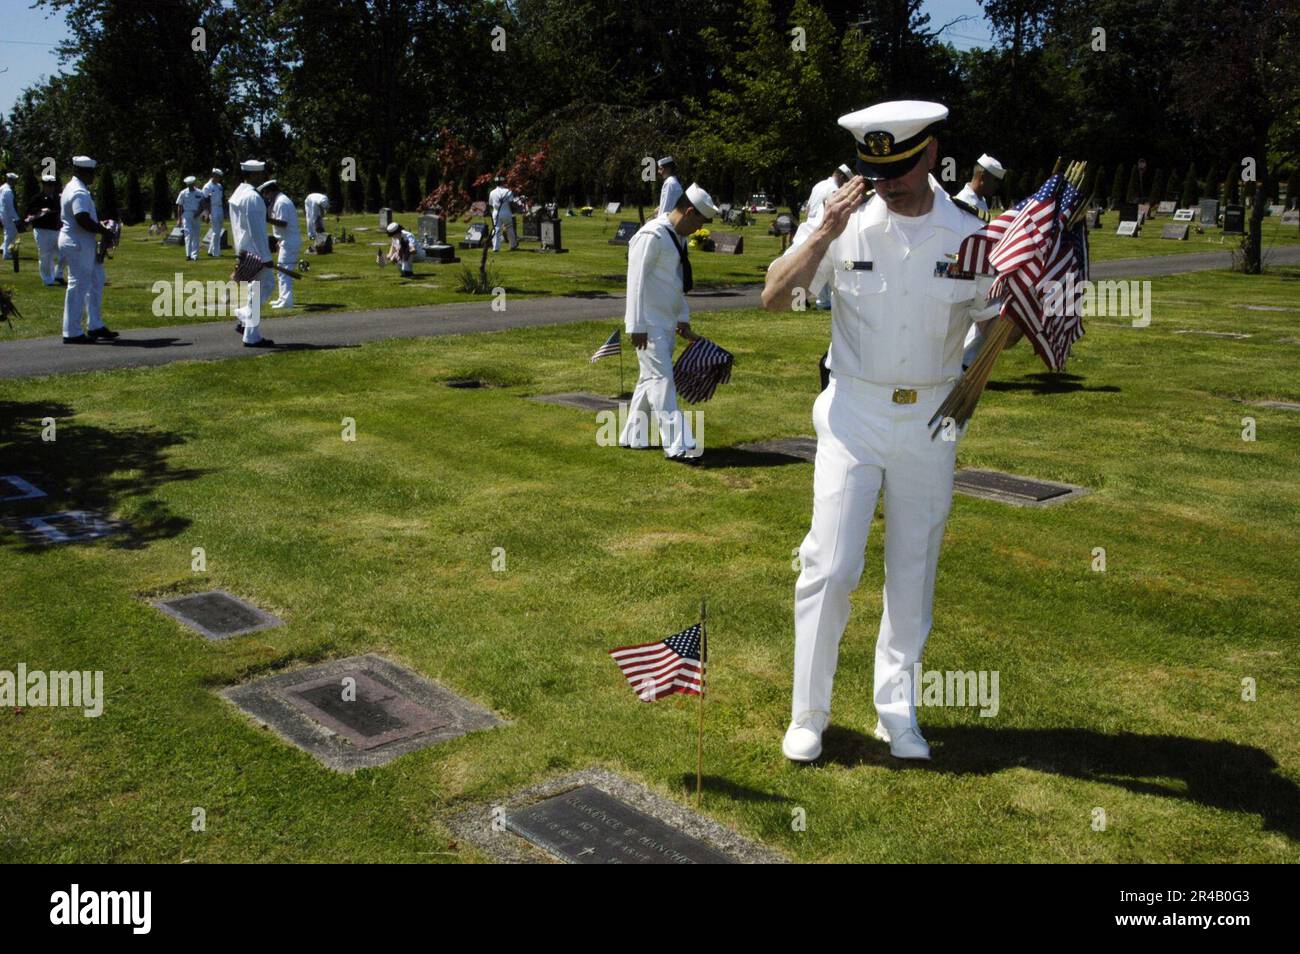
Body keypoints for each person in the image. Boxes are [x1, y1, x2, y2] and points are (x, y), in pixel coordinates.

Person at [763, 101, 1016, 762]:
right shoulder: (844, 223)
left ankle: (896, 712)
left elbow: (993, 327)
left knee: (913, 569)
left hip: (933, 416)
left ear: (931, 155)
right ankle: (809, 714)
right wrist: (821, 232)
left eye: (901, 167)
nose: (889, 183)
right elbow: (774, 294)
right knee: (833, 564)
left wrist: (1021, 307)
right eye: (877, 170)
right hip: (854, 412)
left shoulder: (969, 233)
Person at [618, 183, 717, 462]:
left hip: (666, 321)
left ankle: (632, 435)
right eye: (699, 221)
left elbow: (675, 283)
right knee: (663, 381)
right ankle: (679, 444)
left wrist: (683, 319)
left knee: (649, 380)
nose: (699, 229)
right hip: (648, 325)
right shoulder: (651, 236)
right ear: (688, 212)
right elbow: (634, 281)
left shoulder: (676, 237)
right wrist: (635, 325)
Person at [58, 156, 119, 344]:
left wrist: (100, 228)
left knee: (96, 280)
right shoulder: (78, 191)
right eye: (91, 173)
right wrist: (104, 230)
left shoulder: (76, 187)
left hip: (81, 241)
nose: (93, 176)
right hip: (78, 242)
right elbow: (81, 218)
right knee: (78, 285)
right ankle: (72, 331)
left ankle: (95, 324)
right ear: (82, 172)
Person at [227, 159, 275, 347]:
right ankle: (247, 322)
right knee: (266, 286)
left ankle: (247, 325)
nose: (263, 176)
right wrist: (266, 256)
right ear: (254, 175)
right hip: (255, 252)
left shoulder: (238, 194)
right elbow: (256, 230)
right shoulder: (253, 198)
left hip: (245, 249)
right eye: (261, 173)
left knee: (256, 292)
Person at [806, 164, 853, 309]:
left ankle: (802, 299)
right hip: (824, 229)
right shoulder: (833, 189)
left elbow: (808, 208)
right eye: (845, 181)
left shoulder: (818, 185)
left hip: (810, 227)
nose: (845, 185)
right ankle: (823, 301)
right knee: (827, 266)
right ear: (841, 176)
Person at [259, 180, 300, 309]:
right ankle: (282, 298)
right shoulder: (279, 200)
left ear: (271, 191)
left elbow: (283, 223)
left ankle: (287, 301)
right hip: (285, 240)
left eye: (266, 193)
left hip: (289, 240)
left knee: (284, 271)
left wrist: (266, 219)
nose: (266, 197)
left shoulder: (282, 202)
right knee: (281, 270)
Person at [24, 174, 65, 286]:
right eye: (48, 185)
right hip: (42, 230)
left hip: (56, 229)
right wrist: (40, 210)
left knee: (64, 253)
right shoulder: (37, 198)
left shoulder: (58, 198)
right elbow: (28, 212)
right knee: (45, 255)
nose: (50, 188)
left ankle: (58, 274)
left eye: (52, 185)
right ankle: (48, 279)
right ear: (43, 185)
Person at [174, 175, 205, 261]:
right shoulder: (183, 193)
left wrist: (199, 213)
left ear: (194, 184)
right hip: (187, 214)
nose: (190, 186)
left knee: (196, 235)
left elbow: (202, 205)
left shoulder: (200, 192)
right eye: (188, 185)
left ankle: (194, 255)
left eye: (191, 184)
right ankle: (188, 254)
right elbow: (179, 207)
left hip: (196, 214)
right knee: (188, 234)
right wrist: (179, 219)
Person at [488, 176, 519, 251]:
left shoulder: (492, 192)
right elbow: (511, 203)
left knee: (496, 229)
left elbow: (491, 204)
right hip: (506, 212)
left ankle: (495, 247)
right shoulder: (508, 191)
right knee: (509, 228)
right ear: (503, 182)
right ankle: (513, 245)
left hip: (496, 212)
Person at [202, 168, 224, 257]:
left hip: (220, 208)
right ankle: (216, 252)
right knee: (216, 231)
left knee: (218, 231)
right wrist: (207, 213)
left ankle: (211, 250)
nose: (219, 178)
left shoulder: (219, 186)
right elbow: (205, 200)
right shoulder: (207, 186)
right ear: (213, 176)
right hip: (213, 209)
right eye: (218, 176)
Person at [0, 172, 19, 260]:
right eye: (15, 180)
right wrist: (16, 218)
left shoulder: (2, 187)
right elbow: (10, 206)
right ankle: (6, 254)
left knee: (9, 232)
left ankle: (3, 248)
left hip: (3, 213)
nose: (16, 182)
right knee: (11, 233)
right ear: (11, 180)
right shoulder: (8, 191)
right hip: (7, 215)